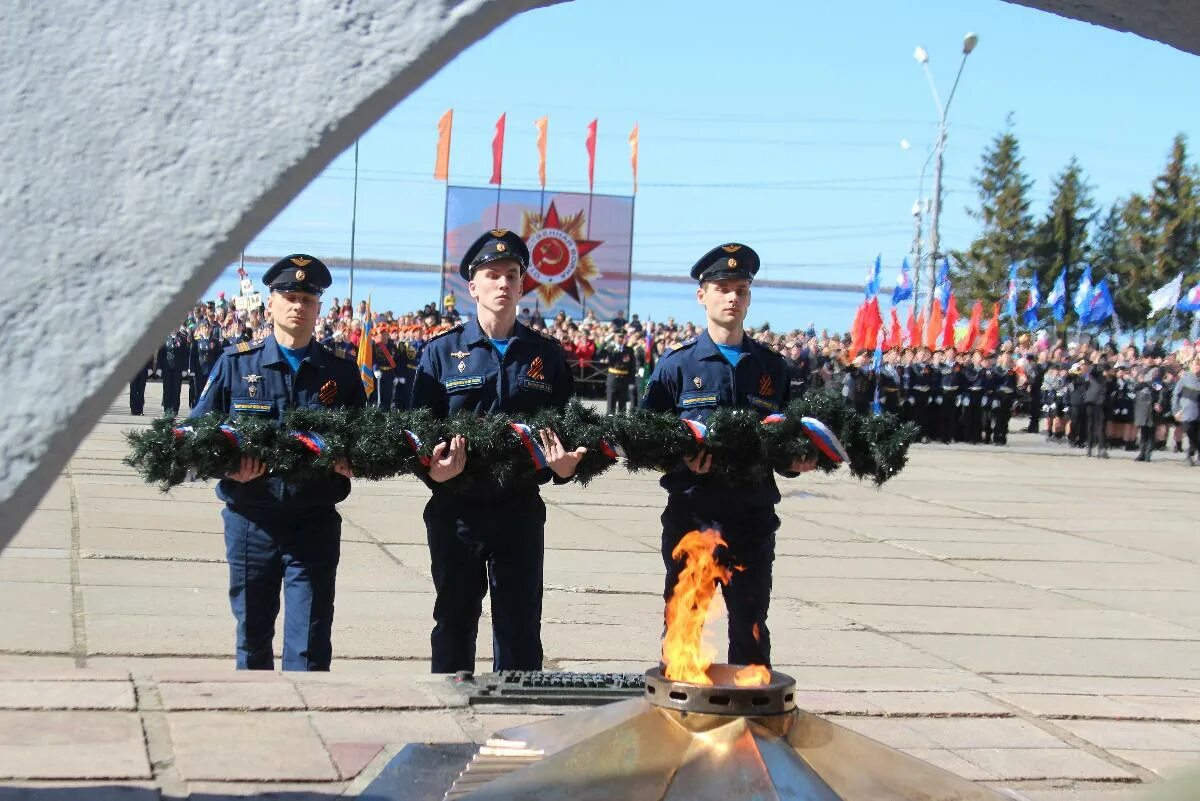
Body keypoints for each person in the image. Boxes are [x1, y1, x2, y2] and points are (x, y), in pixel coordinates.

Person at [410, 230, 580, 674]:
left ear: (523, 285)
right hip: (456, 511)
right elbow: (412, 432)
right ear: (473, 286)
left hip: (520, 509)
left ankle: (522, 725)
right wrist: (434, 474)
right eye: (492, 275)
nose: (502, 283)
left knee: (521, 627)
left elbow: (572, 429)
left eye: (512, 275)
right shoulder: (441, 353)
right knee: (453, 620)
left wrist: (564, 469)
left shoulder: (545, 354)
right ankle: (448, 719)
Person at [640, 243, 816, 668]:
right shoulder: (677, 365)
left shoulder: (770, 367)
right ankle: (676, 720)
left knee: (751, 628)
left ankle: (752, 727)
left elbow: (786, 437)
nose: (732, 297)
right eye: (722, 288)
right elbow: (645, 437)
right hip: (693, 515)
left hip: (752, 519)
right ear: (703, 295)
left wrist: (798, 461)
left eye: (741, 289)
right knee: (685, 623)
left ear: (750, 297)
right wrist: (681, 461)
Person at [189, 254, 367, 671]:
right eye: (289, 296)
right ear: (269, 304)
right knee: (252, 639)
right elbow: (197, 435)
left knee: (309, 643)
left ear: (319, 308)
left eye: (307, 298)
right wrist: (228, 467)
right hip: (252, 521)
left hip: (314, 522)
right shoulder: (236, 364)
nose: (298, 305)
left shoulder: (339, 374)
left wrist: (355, 462)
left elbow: (367, 438)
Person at [599, 332, 636, 415]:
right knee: (611, 405)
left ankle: (621, 426)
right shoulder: (610, 349)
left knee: (622, 406)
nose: (621, 339)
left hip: (624, 379)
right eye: (619, 337)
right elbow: (599, 352)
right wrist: (606, 340)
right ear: (615, 338)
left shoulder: (629, 350)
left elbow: (632, 367)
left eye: (622, 337)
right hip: (613, 379)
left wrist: (631, 381)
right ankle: (609, 425)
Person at [157, 325, 191, 416]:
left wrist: (185, 368)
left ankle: (175, 409)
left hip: (178, 368)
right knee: (167, 389)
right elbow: (160, 354)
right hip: (166, 368)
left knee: (176, 389)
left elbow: (185, 355)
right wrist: (159, 368)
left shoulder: (182, 339)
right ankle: (167, 409)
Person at [1172, 356, 1200, 466]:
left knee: (1197, 435)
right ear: (1191, 366)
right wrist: (1176, 410)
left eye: (1199, 365)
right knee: (1190, 433)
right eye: (1196, 365)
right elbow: (1176, 395)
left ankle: (1190, 456)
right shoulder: (1185, 378)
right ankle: (1192, 454)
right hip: (1186, 413)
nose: (1197, 367)